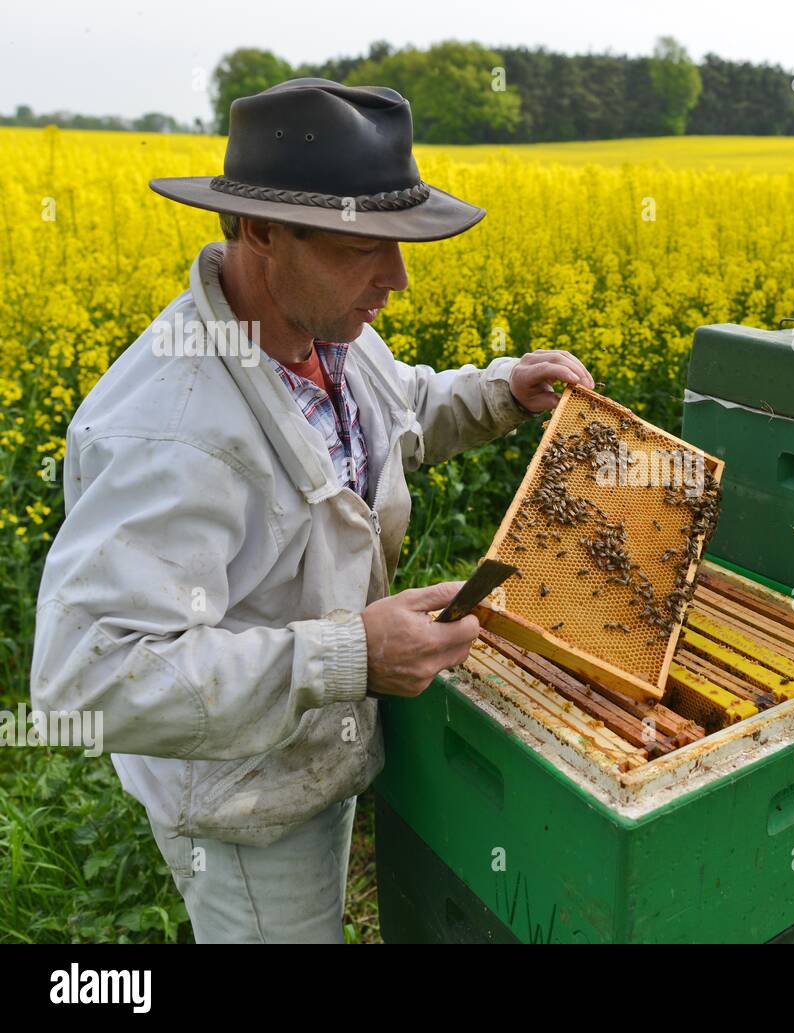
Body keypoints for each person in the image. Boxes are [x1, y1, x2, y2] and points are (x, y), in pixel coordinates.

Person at [29, 77, 594, 943]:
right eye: (367, 246)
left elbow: (394, 413)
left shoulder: (328, 330)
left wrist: (500, 392)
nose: (398, 278)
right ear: (261, 230)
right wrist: (346, 654)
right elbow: (86, 679)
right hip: (243, 799)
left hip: (310, 747)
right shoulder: (173, 429)